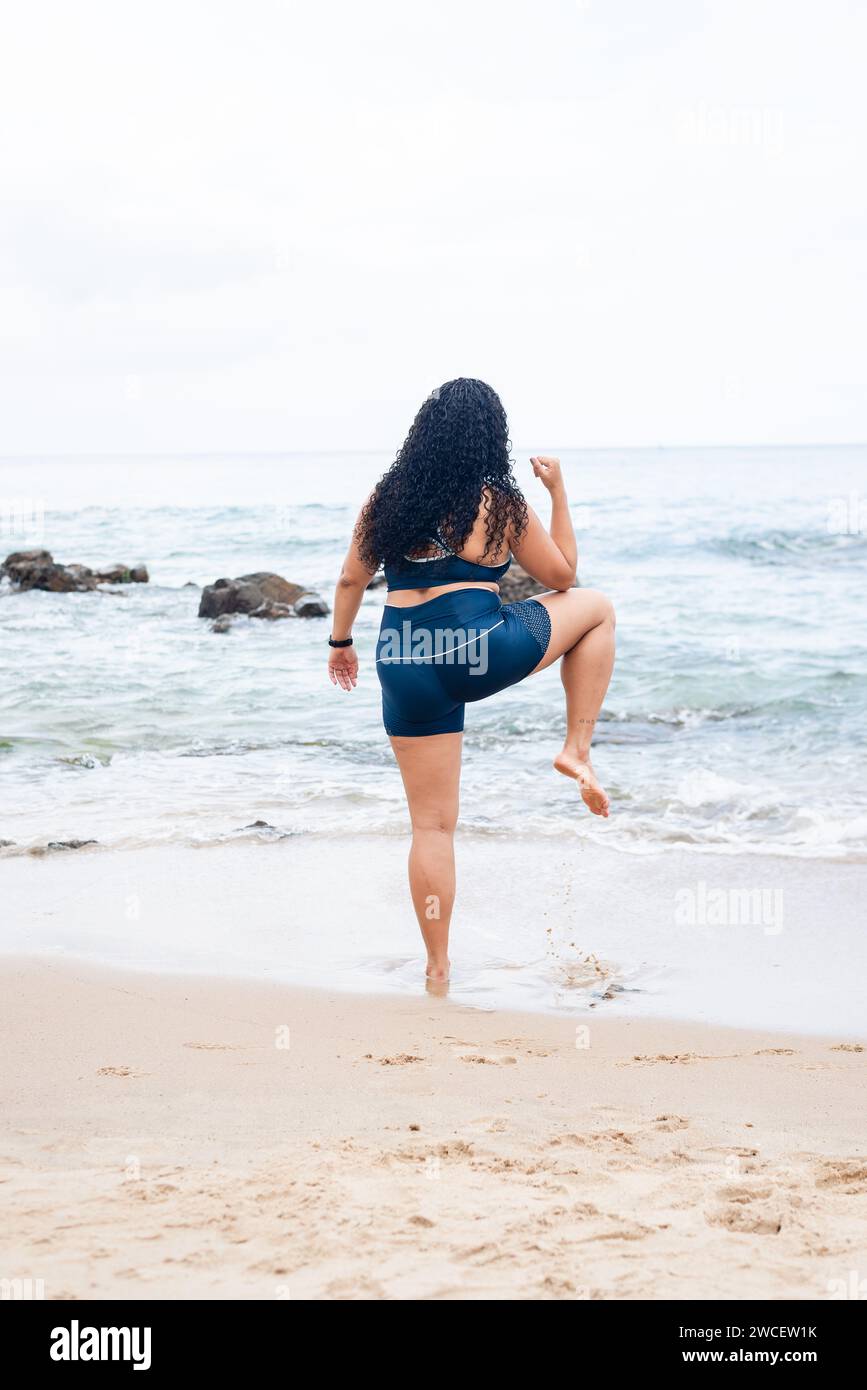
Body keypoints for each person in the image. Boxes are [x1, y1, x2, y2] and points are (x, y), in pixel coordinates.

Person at [328, 378, 615, 983]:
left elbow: (351, 581)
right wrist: (559, 491)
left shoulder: (388, 498)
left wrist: (340, 644)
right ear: (491, 437)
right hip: (473, 648)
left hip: (402, 658)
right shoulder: (501, 503)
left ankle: (436, 969)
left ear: (424, 434)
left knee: (430, 826)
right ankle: (576, 749)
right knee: (597, 609)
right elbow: (563, 576)